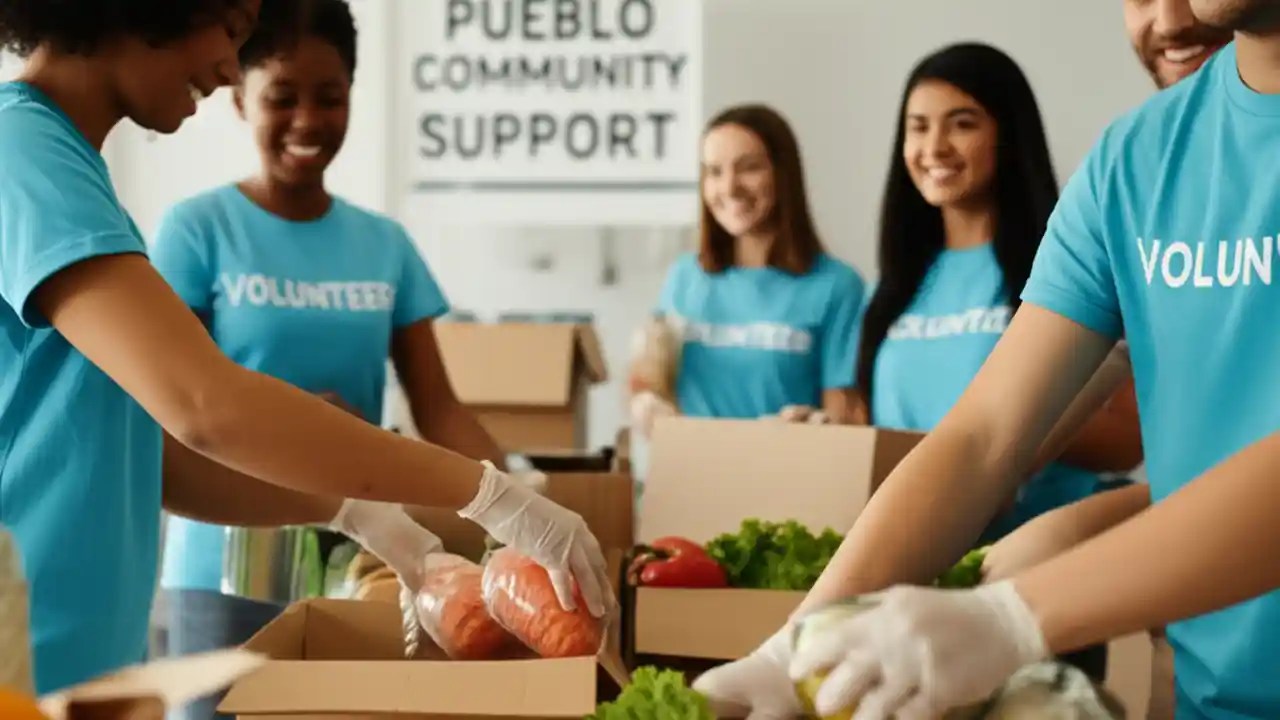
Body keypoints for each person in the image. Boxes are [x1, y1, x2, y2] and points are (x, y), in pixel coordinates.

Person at [0, 0, 611, 697]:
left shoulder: (69, 172)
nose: (231, 65)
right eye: (229, 31)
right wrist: (489, 494)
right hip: (27, 655)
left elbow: (155, 456)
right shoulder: (23, 156)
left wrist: (350, 511)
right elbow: (208, 407)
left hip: (79, 662)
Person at [693, 0, 1280, 717]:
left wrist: (1015, 615)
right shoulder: (1137, 160)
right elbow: (982, 438)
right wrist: (793, 648)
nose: (1164, 15)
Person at [146, 3, 518, 717]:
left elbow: (438, 408)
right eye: (282, 96)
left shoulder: (384, 244)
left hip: (361, 560)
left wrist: (518, 500)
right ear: (238, 95)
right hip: (223, 564)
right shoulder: (197, 231)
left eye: (330, 95)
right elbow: (174, 401)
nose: (308, 120)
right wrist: (297, 421)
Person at [847, 42, 1142, 546]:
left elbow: (1127, 439)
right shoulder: (889, 290)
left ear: (1008, 135)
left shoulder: (1064, 268)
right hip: (926, 550)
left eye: (962, 124)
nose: (935, 147)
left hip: (1046, 552)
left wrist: (999, 440)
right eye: (918, 127)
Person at [628, 104, 868, 437]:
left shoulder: (837, 286)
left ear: (783, 174)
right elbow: (649, 381)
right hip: (688, 477)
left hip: (787, 477)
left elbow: (843, 417)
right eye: (714, 172)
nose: (729, 187)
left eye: (749, 168)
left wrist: (816, 424)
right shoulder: (684, 278)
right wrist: (644, 402)